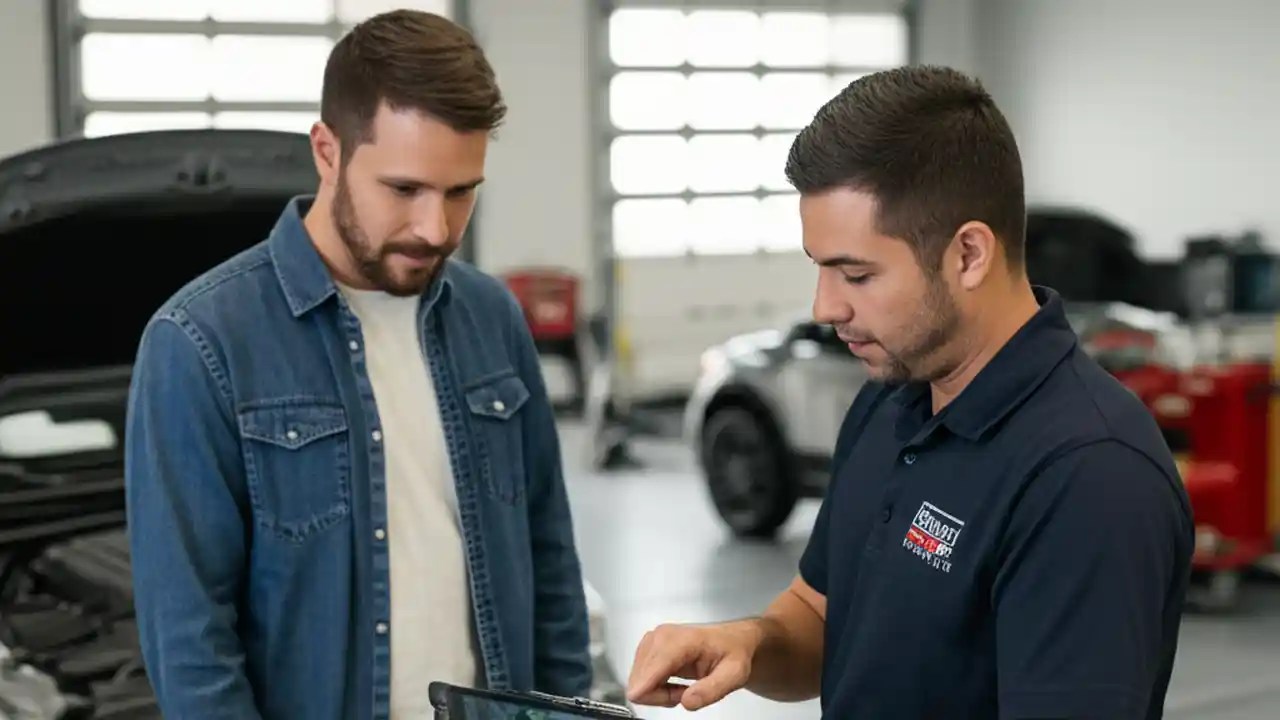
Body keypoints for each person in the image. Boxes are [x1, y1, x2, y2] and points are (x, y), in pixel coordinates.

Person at [627, 66, 1193, 719]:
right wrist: (748, 643)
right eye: (821, 268)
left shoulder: (1089, 474)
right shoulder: (891, 399)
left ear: (969, 255)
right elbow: (819, 614)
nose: (825, 306)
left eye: (857, 274)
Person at [124, 10, 591, 720]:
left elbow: (549, 561)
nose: (435, 229)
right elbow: (190, 639)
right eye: (404, 189)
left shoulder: (492, 318)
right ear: (327, 151)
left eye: (461, 191)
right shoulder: (201, 342)